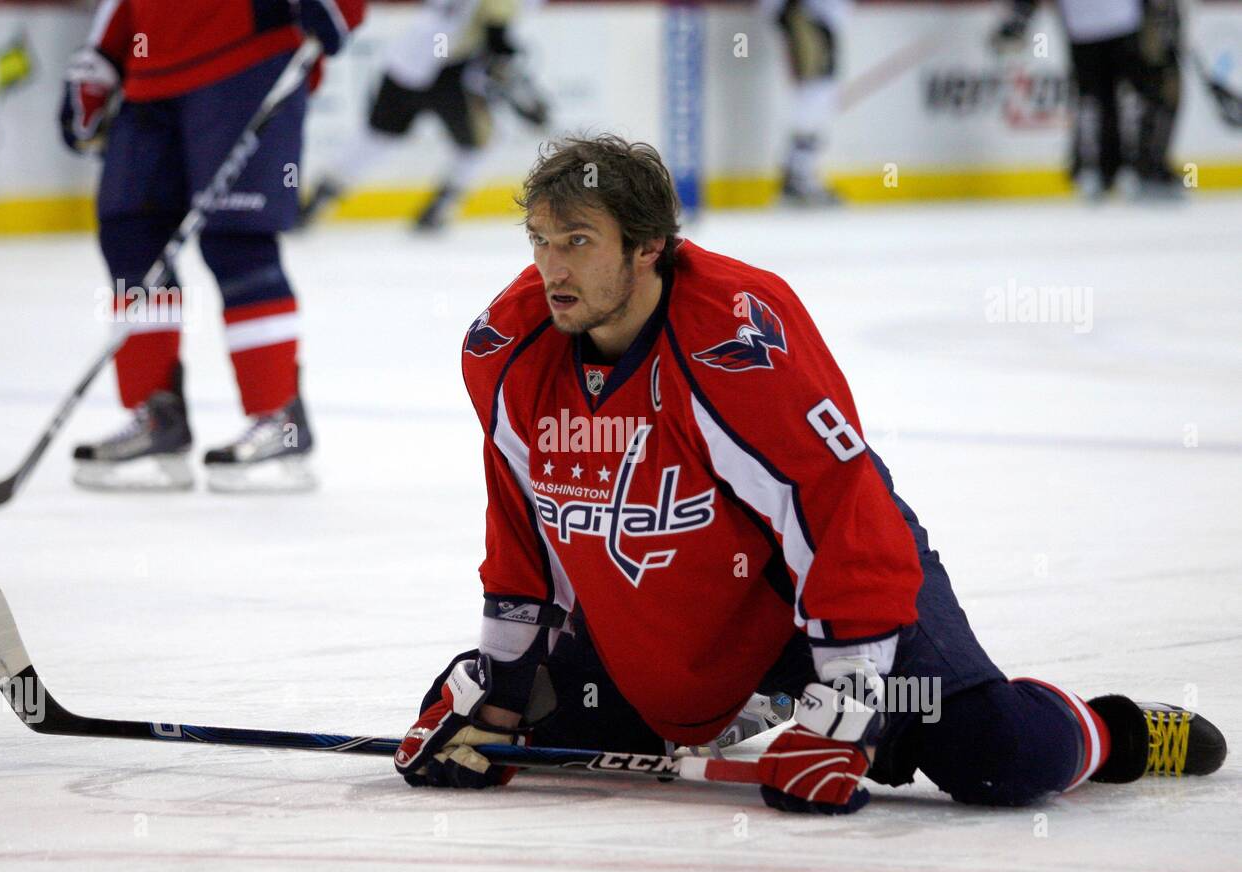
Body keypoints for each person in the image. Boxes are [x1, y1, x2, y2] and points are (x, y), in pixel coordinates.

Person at [393, 135, 1225, 813]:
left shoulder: (737, 338)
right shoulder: (507, 349)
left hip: (824, 589)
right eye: (539, 240)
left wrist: (852, 710)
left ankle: (1111, 730)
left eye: (578, 242)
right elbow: (520, 522)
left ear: (649, 247)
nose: (551, 269)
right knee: (505, 712)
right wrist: (499, 693)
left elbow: (837, 512)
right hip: (683, 615)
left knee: (992, 755)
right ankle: (757, 703)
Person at [60, 0, 365, 493]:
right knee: (130, 235)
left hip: (247, 58)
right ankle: (157, 414)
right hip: (150, 72)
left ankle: (279, 417)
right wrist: (101, 54)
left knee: (237, 240)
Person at [299, 0, 549, 232]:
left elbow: (494, 37)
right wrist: (516, 87)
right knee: (482, 141)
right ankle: (443, 202)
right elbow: (497, 37)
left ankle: (322, 196)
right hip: (446, 68)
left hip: (406, 61)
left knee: (377, 138)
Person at [993, 0, 1183, 199]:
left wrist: (1019, 17)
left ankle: (1102, 169)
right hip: (1113, 21)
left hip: (1091, 23)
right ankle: (1131, 169)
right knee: (1136, 93)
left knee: (1099, 97)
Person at [761, 0, 851, 206]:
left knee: (819, 89)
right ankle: (799, 175)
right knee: (814, 88)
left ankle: (800, 172)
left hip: (815, 16)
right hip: (804, 11)